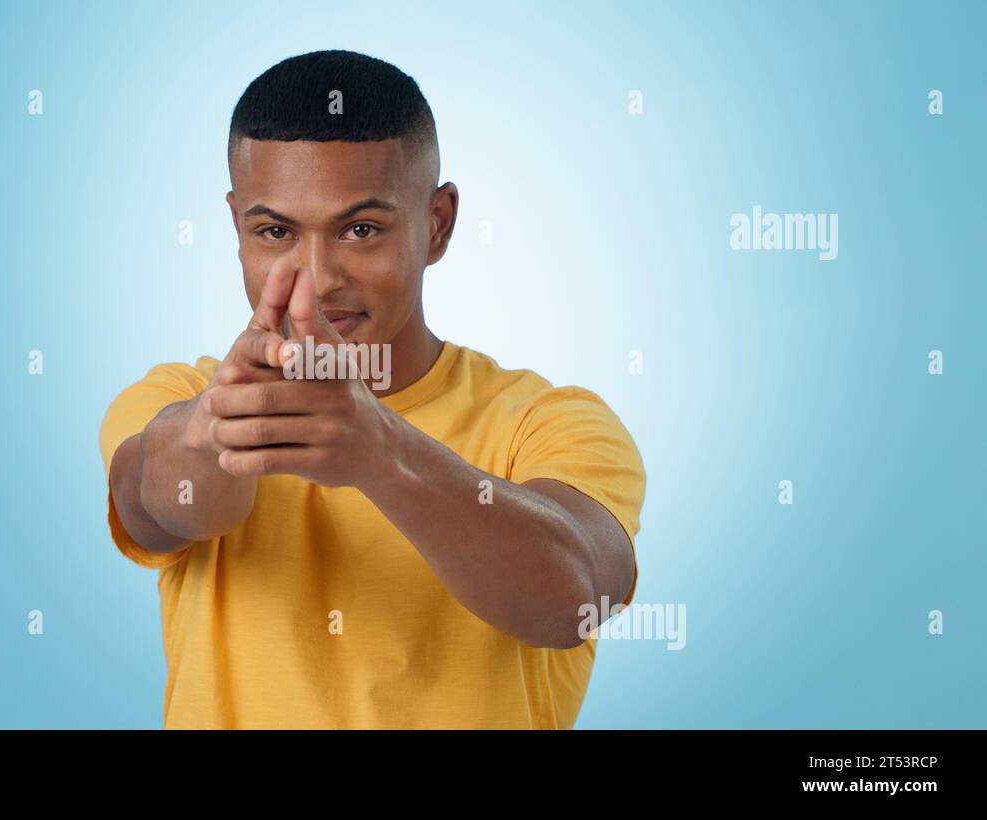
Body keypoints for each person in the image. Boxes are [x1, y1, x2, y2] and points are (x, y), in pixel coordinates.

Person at [99, 49, 646, 729]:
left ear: (437, 224)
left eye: (360, 230)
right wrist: (214, 433)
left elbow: (574, 599)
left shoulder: (550, 421)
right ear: (236, 228)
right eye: (276, 231)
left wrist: (379, 453)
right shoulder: (177, 394)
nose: (320, 276)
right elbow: (156, 503)